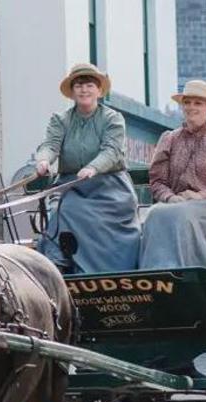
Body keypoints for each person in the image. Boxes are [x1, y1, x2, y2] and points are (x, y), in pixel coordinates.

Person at [33, 63, 140, 273]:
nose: (84, 90)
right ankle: (55, 263)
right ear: (72, 92)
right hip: (71, 186)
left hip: (110, 189)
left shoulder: (113, 119)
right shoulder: (60, 119)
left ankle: (79, 267)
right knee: (62, 206)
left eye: (90, 85)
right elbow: (50, 145)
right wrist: (43, 160)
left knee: (70, 208)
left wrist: (93, 167)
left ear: (99, 90)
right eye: (79, 85)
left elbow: (112, 150)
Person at [139, 80, 206, 279]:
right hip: (177, 203)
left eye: (198, 103)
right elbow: (157, 181)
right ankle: (152, 278)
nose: (191, 107)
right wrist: (171, 197)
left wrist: (200, 195)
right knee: (153, 214)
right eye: (187, 102)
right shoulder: (170, 138)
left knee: (181, 215)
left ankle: (183, 277)